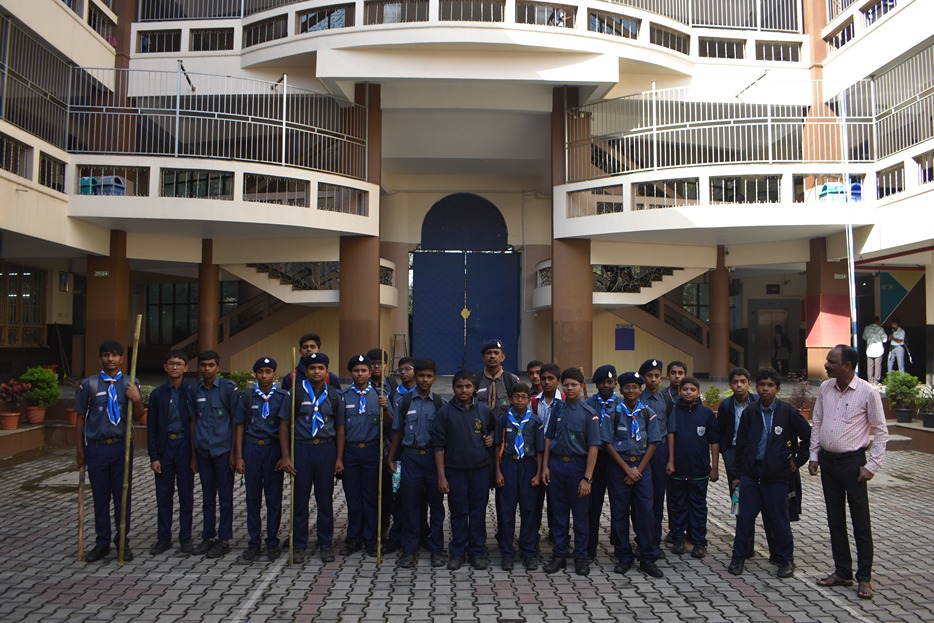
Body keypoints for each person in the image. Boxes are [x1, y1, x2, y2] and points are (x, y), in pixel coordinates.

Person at [809, 344, 888, 600]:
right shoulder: (824, 388)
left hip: (853, 465)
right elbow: (817, 421)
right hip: (828, 463)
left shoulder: (867, 392)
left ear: (848, 366)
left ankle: (864, 577)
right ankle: (842, 571)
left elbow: (881, 430)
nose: (826, 364)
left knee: (860, 522)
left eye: (832, 361)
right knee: (835, 519)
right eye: (827, 360)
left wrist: (871, 466)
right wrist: (814, 455)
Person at [727, 368, 810, 578]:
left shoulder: (787, 411)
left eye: (770, 385)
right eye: (762, 385)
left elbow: (809, 437)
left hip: (777, 477)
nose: (765, 389)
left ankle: (785, 560)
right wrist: (738, 474)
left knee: (778, 520)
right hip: (751, 476)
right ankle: (739, 557)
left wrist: (797, 461)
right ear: (757, 387)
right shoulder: (750, 412)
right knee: (744, 518)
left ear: (778, 389)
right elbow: (742, 445)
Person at [76, 340, 143, 563]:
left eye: (115, 355)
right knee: (100, 497)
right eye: (106, 355)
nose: (111, 359)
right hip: (96, 448)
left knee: (122, 496)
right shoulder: (90, 385)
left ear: (122, 358)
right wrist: (80, 449)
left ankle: (122, 541)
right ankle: (102, 542)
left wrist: (137, 399)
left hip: (122, 447)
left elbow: (138, 416)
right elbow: (79, 418)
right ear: (101, 358)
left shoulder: (131, 383)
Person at [277, 352, 344, 563]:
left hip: (325, 450)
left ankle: (325, 543)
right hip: (302, 450)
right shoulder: (295, 393)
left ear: (327, 372)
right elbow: (284, 425)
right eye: (313, 368)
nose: (317, 371)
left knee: (325, 500)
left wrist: (339, 458)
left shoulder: (334, 395)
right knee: (300, 500)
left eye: (321, 368)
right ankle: (298, 544)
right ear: (306, 371)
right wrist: (286, 456)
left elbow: (341, 428)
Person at [541, 368, 601, 576]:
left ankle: (581, 556)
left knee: (581, 516)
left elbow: (594, 446)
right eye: (566, 384)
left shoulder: (589, 414)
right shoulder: (557, 409)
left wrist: (588, 478)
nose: (569, 388)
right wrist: (546, 467)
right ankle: (559, 554)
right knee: (558, 514)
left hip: (578, 468)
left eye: (574, 385)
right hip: (557, 467)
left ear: (582, 386)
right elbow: (548, 438)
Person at [387, 358, 446, 568]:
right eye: (421, 375)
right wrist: (391, 458)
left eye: (429, 376)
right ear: (415, 376)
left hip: (432, 458)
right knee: (409, 504)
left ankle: (437, 547)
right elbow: (397, 432)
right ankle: (409, 549)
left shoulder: (440, 404)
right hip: (410, 457)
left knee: (436, 505)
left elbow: (445, 437)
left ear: (434, 379)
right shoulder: (403, 402)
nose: (424, 379)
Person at [603, 371, 662, 578]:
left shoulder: (648, 413)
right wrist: (627, 469)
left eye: (635, 387)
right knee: (620, 511)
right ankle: (623, 555)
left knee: (645, 511)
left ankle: (647, 556)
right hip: (619, 467)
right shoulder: (612, 413)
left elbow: (654, 443)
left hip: (642, 468)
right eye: (626, 387)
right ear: (621, 390)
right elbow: (607, 444)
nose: (630, 391)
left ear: (640, 389)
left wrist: (638, 470)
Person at [434, 370, 494, 570]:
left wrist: (491, 438)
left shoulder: (484, 410)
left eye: (468, 386)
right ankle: (457, 552)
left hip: (480, 470)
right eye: (459, 387)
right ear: (453, 388)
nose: (464, 390)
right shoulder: (445, 412)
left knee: (478, 512)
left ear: (474, 388)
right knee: (458, 512)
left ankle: (477, 551)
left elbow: (493, 430)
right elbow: (439, 446)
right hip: (455, 471)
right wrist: (441, 476)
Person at [234, 357, 286, 562]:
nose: (264, 376)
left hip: (273, 450)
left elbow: (285, 426)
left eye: (268, 372)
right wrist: (239, 456)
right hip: (252, 448)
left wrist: (284, 455)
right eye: (260, 372)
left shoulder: (282, 396)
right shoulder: (247, 396)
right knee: (252, 498)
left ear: (275, 374)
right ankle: (254, 542)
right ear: (255, 374)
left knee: (274, 499)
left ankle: (272, 541)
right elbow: (239, 426)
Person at [189, 350, 240, 558]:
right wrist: (193, 456)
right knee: (207, 496)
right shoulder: (195, 390)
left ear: (218, 367)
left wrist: (235, 454)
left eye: (211, 365)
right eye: (203, 365)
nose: (206, 369)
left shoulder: (228, 389)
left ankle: (224, 538)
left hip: (223, 451)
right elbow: (193, 422)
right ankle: (207, 536)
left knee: (225, 497)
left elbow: (237, 422)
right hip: (203, 450)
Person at [146, 350, 195, 557]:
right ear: (165, 367)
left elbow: (195, 423)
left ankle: (185, 538)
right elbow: (151, 428)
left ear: (186, 367)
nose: (175, 367)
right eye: (171, 363)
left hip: (184, 446)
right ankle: (163, 538)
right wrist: (154, 456)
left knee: (186, 496)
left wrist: (195, 455)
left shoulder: (191, 392)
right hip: (165, 448)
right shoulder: (158, 395)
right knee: (163, 496)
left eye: (179, 363)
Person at [666, 376, 719, 559]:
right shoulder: (672, 412)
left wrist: (714, 468)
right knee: (678, 505)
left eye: (692, 389)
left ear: (698, 392)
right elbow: (670, 435)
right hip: (678, 470)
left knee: (698, 506)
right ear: (679, 391)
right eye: (685, 389)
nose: (688, 392)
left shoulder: (707, 414)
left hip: (699, 471)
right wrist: (671, 461)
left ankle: (699, 541)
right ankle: (678, 538)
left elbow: (714, 442)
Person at [493, 382, 543, 570]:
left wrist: (538, 473)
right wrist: (497, 471)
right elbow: (497, 446)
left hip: (528, 466)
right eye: (516, 397)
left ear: (529, 400)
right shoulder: (503, 419)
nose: (520, 400)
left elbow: (539, 450)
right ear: (510, 399)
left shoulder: (535, 421)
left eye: (524, 397)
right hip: (508, 465)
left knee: (529, 510)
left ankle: (528, 551)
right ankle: (507, 552)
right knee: (506, 511)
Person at [339, 354, 385, 557]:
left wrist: (386, 408)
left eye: (363, 370)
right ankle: (354, 537)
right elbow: (339, 428)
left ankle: (370, 538)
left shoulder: (380, 395)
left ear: (370, 372)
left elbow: (392, 424)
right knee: (353, 496)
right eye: (356, 370)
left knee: (371, 496)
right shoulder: (344, 396)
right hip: (351, 451)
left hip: (372, 450)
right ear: (351, 373)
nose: (360, 374)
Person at [384, 356, 418, 554]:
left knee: (418, 496)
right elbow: (391, 425)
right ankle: (397, 534)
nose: (403, 373)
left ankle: (420, 533)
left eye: (407, 369)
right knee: (398, 493)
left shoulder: (422, 393)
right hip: (399, 450)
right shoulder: (394, 394)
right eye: (401, 370)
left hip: (418, 452)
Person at [586, 364, 618, 562]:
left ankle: (618, 543)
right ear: (596, 384)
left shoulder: (622, 404)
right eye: (602, 382)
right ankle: (590, 547)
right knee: (593, 505)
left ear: (615, 383)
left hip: (615, 459)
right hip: (595, 459)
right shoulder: (589, 404)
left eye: (610, 382)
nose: (606, 385)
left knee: (618, 503)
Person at [638, 358, 669, 558]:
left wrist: (671, 458)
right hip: (641, 451)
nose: (654, 379)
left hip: (660, 451)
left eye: (657, 376)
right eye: (650, 376)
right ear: (643, 377)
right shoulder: (636, 398)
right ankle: (641, 538)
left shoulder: (666, 399)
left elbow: (671, 429)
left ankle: (654, 540)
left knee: (658, 497)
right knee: (641, 499)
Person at [531, 362, 564, 544]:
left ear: (558, 381)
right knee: (535, 499)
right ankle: (532, 534)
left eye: (550, 379)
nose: (546, 382)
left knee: (556, 500)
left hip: (557, 456)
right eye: (543, 379)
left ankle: (556, 534)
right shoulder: (534, 401)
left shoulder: (566, 401)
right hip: (537, 457)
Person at [861, 317, 886, 384]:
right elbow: (885, 340)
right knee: (878, 366)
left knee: (869, 366)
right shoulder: (880, 329)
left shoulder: (866, 328)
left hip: (869, 350)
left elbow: (864, 337)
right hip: (878, 350)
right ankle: (876, 381)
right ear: (878, 322)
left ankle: (870, 381)